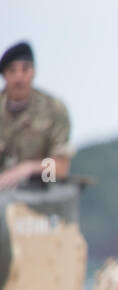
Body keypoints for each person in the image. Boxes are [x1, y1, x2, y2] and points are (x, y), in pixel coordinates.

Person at [0, 41, 72, 190]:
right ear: (4, 75)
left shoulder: (53, 110)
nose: (19, 77)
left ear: (33, 72)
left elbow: (61, 169)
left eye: (25, 69)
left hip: (39, 196)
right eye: (12, 71)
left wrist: (27, 169)